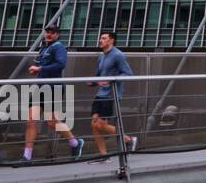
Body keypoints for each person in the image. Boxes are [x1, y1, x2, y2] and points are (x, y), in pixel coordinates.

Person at [23, 25, 83, 161]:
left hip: (53, 88)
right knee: (31, 121)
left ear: (57, 35)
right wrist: (36, 70)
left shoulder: (58, 47)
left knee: (52, 122)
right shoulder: (44, 48)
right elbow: (40, 65)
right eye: (47, 32)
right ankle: (27, 156)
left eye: (52, 32)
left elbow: (61, 65)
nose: (48, 34)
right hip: (40, 88)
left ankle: (75, 142)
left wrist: (40, 68)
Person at [88, 31, 137, 161]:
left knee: (100, 125)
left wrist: (110, 80)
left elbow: (128, 73)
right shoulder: (102, 56)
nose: (100, 40)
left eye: (104, 38)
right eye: (100, 38)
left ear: (111, 41)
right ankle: (104, 155)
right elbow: (99, 76)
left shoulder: (118, 55)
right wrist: (92, 82)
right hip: (100, 94)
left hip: (111, 94)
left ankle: (128, 139)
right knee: (94, 124)